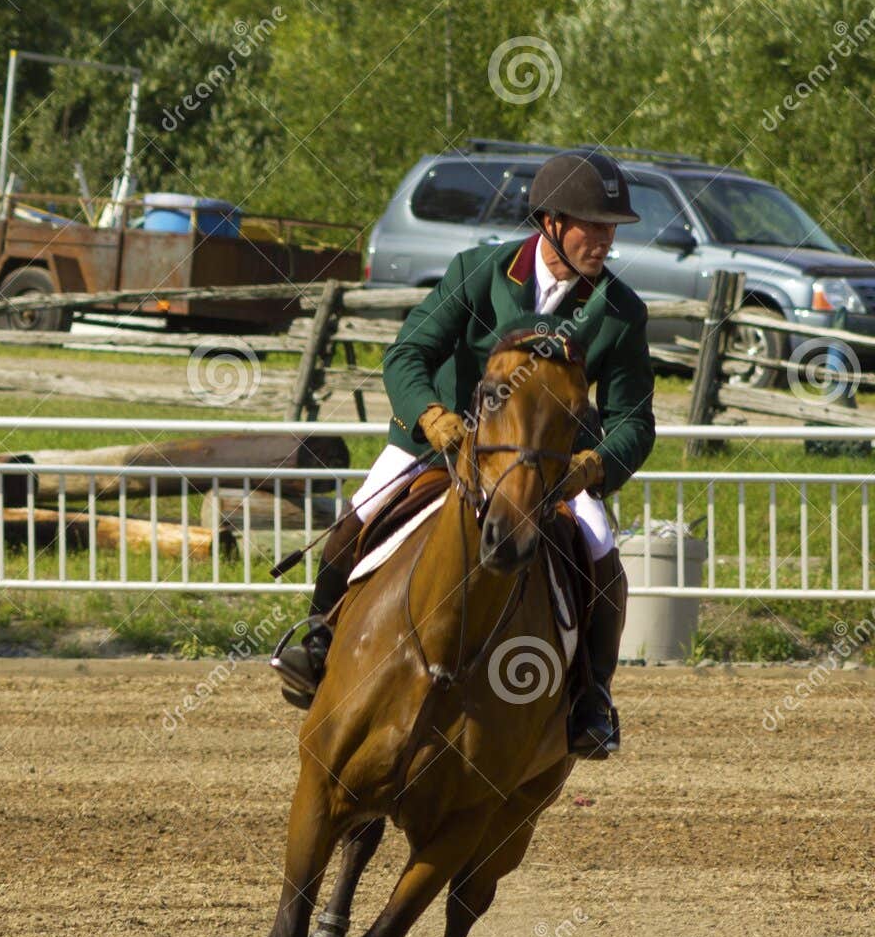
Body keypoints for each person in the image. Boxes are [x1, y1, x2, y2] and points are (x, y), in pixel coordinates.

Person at [272, 148, 657, 758]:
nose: (607, 239)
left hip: (549, 473)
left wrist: (595, 465)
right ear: (551, 222)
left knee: (603, 554)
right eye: (595, 223)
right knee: (360, 514)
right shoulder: (479, 271)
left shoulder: (619, 313)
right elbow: (407, 354)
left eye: (613, 227)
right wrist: (430, 415)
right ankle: (318, 638)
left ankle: (592, 696)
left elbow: (634, 419)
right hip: (443, 448)